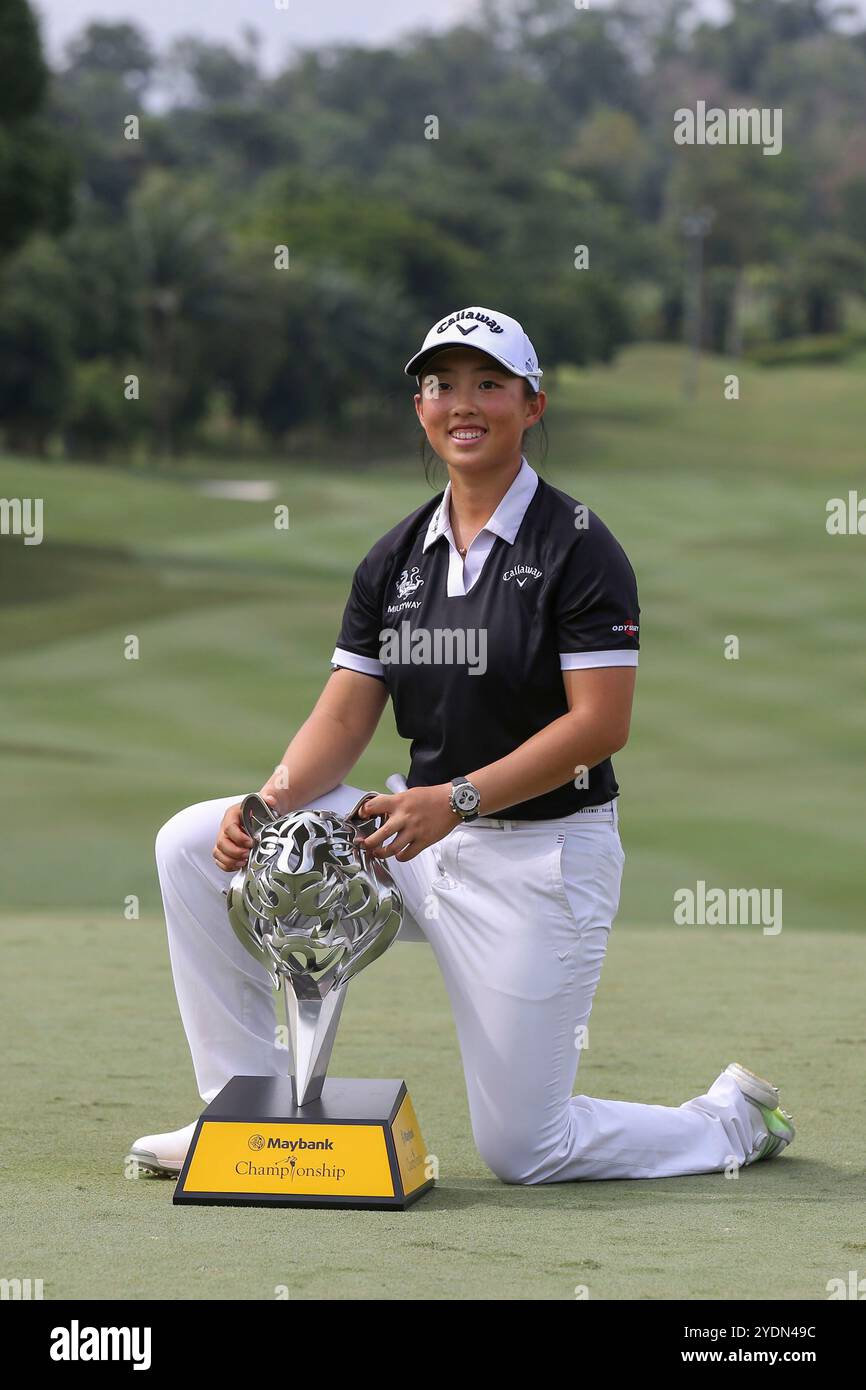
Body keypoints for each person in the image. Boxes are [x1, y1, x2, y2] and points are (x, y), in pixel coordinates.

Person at [130, 306, 794, 1181]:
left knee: (526, 1149)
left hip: (539, 859)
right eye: (442, 385)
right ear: (420, 409)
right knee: (193, 845)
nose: (463, 403)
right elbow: (344, 713)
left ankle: (729, 1124)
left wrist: (458, 800)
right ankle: (243, 1115)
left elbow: (599, 725)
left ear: (532, 405)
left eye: (489, 383)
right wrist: (270, 801)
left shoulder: (581, 549)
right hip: (408, 842)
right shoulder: (395, 558)